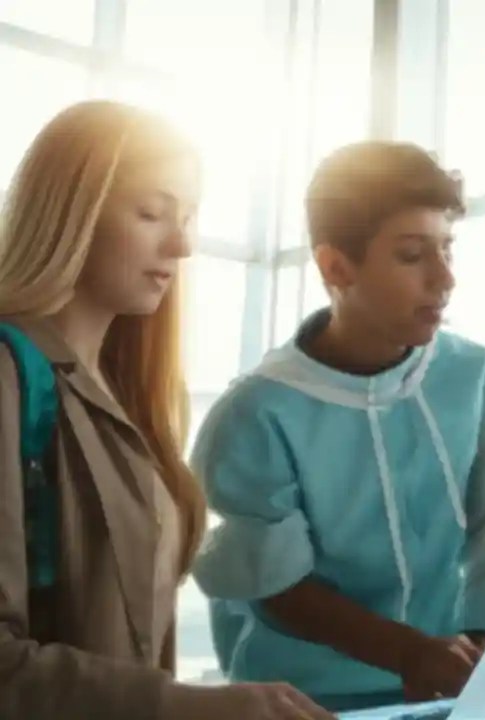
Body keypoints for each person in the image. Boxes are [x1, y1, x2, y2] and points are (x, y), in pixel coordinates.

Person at [0, 101, 333, 719]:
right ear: (74, 212)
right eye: (151, 212)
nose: (181, 244)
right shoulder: (9, 375)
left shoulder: (127, 398)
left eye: (188, 217)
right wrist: (185, 708)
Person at [190, 142, 485, 712]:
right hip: (303, 703)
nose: (445, 280)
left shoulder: (477, 377)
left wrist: (480, 653)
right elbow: (276, 589)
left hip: (449, 695)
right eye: (412, 255)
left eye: (447, 249)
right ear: (336, 267)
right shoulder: (256, 415)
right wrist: (411, 654)